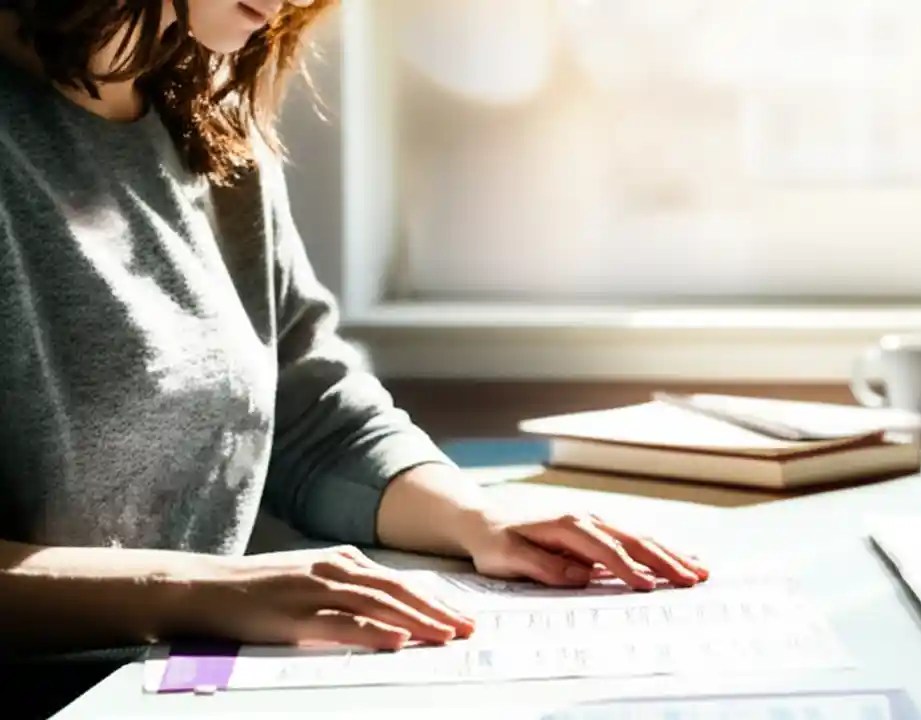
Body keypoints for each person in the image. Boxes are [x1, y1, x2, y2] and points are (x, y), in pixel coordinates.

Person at [0, 0, 708, 654]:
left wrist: (477, 521)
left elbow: (308, 416)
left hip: (187, 677)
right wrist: (202, 593)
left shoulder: (201, 113)